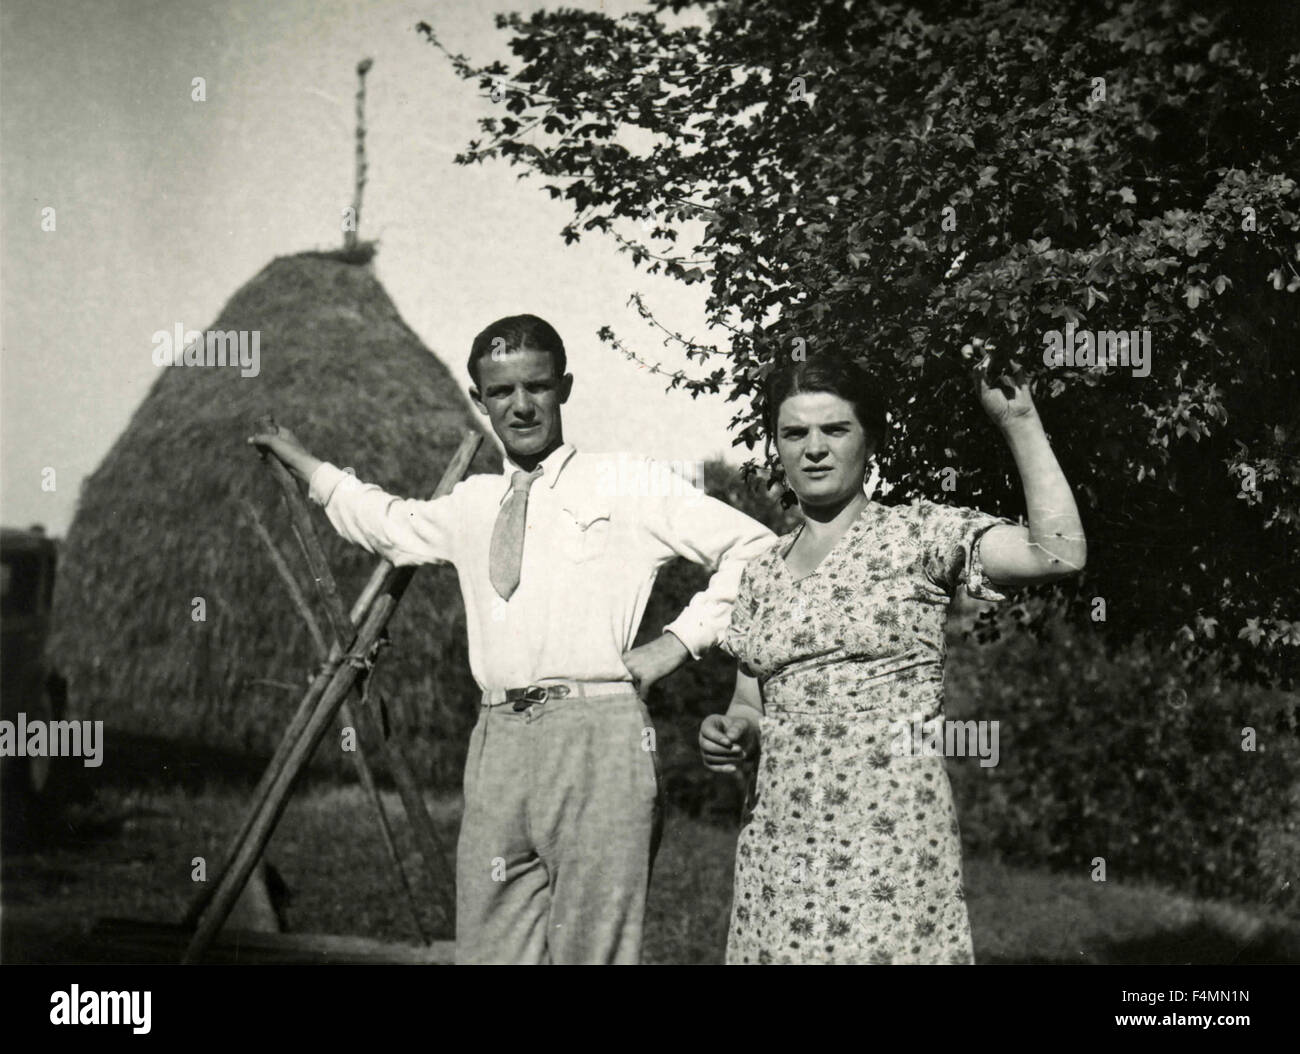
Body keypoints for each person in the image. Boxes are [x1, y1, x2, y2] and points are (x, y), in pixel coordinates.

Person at [249, 314, 774, 964]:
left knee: (594, 951)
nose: (521, 406)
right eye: (502, 392)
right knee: (491, 947)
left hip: (599, 737)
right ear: (480, 401)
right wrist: (306, 465)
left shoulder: (624, 483)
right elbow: (386, 523)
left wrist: (678, 642)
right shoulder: (473, 503)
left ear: (565, 387)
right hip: (497, 740)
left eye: (538, 386)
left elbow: (756, 548)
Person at [699, 344, 1086, 964]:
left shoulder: (919, 535)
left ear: (870, 438)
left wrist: (1019, 423)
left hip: (890, 845)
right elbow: (748, 701)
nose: (814, 448)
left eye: (835, 429)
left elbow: (1059, 553)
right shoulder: (761, 573)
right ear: (777, 446)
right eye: (794, 433)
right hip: (779, 846)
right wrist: (731, 732)